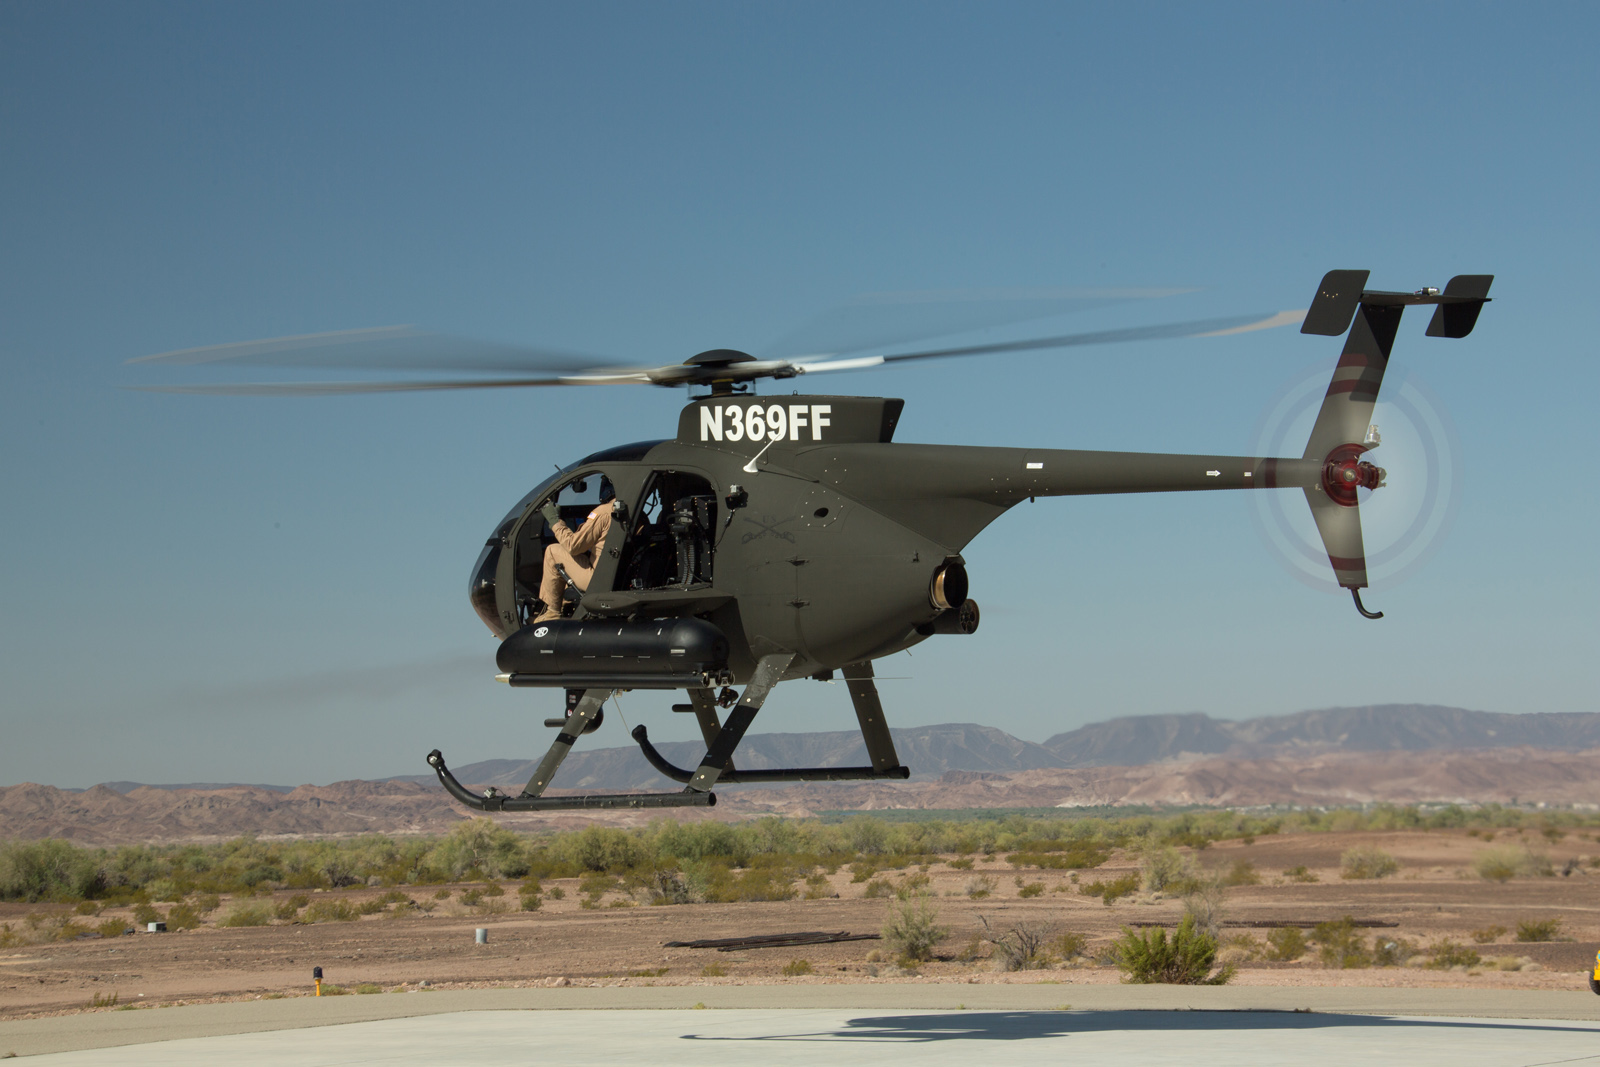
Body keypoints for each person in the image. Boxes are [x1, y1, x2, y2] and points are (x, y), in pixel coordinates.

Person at [533, 477, 615, 623]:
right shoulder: (637, 514)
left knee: (553, 551)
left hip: (599, 581)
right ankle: (566, 604)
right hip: (619, 579)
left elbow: (573, 545)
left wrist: (555, 521)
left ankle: (552, 613)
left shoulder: (604, 512)